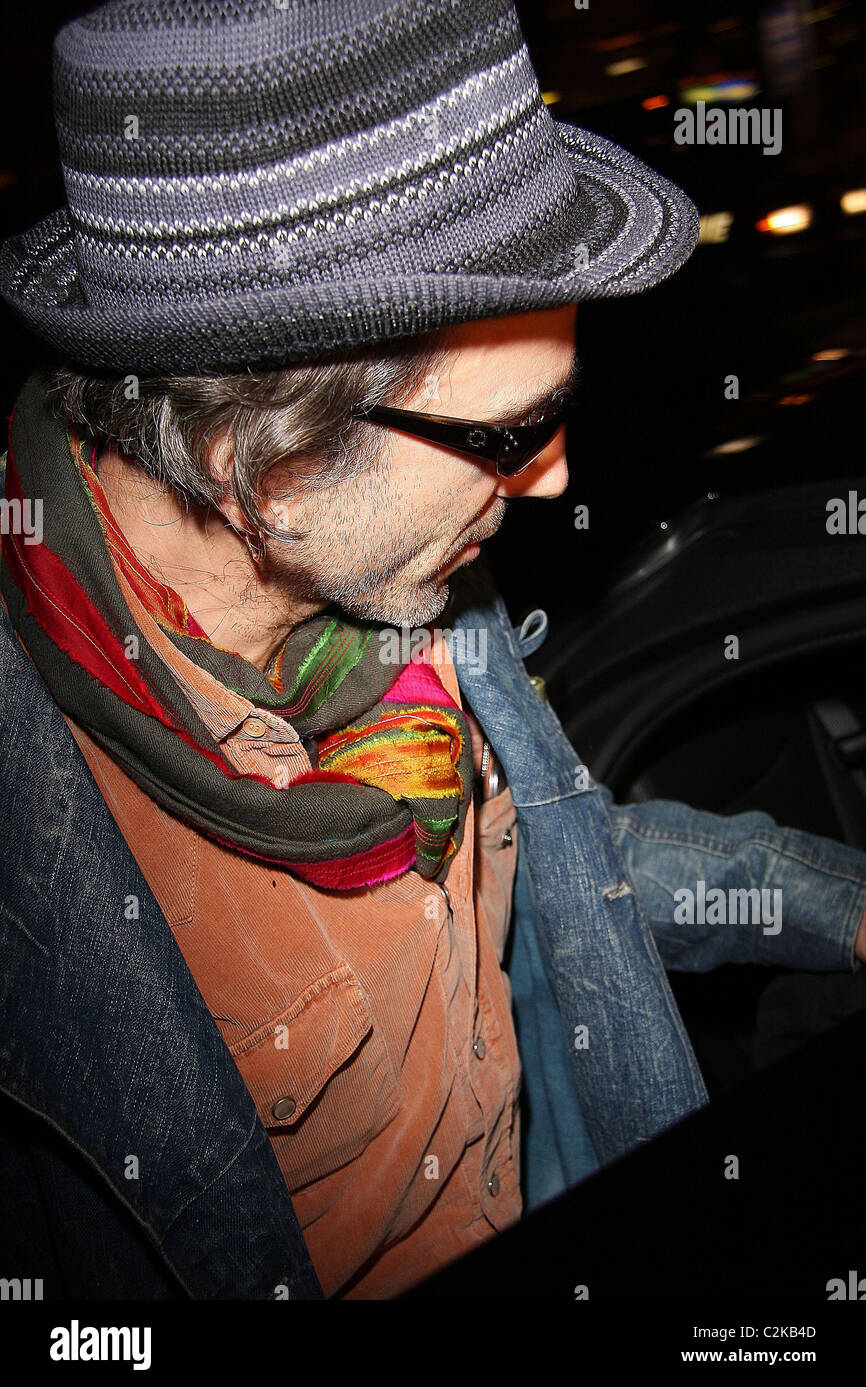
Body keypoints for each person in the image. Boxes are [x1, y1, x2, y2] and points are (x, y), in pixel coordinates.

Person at [0, 0, 864, 1302]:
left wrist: (832, 896)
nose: (556, 476)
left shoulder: (408, 581)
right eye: (509, 436)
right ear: (269, 470)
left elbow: (565, 869)